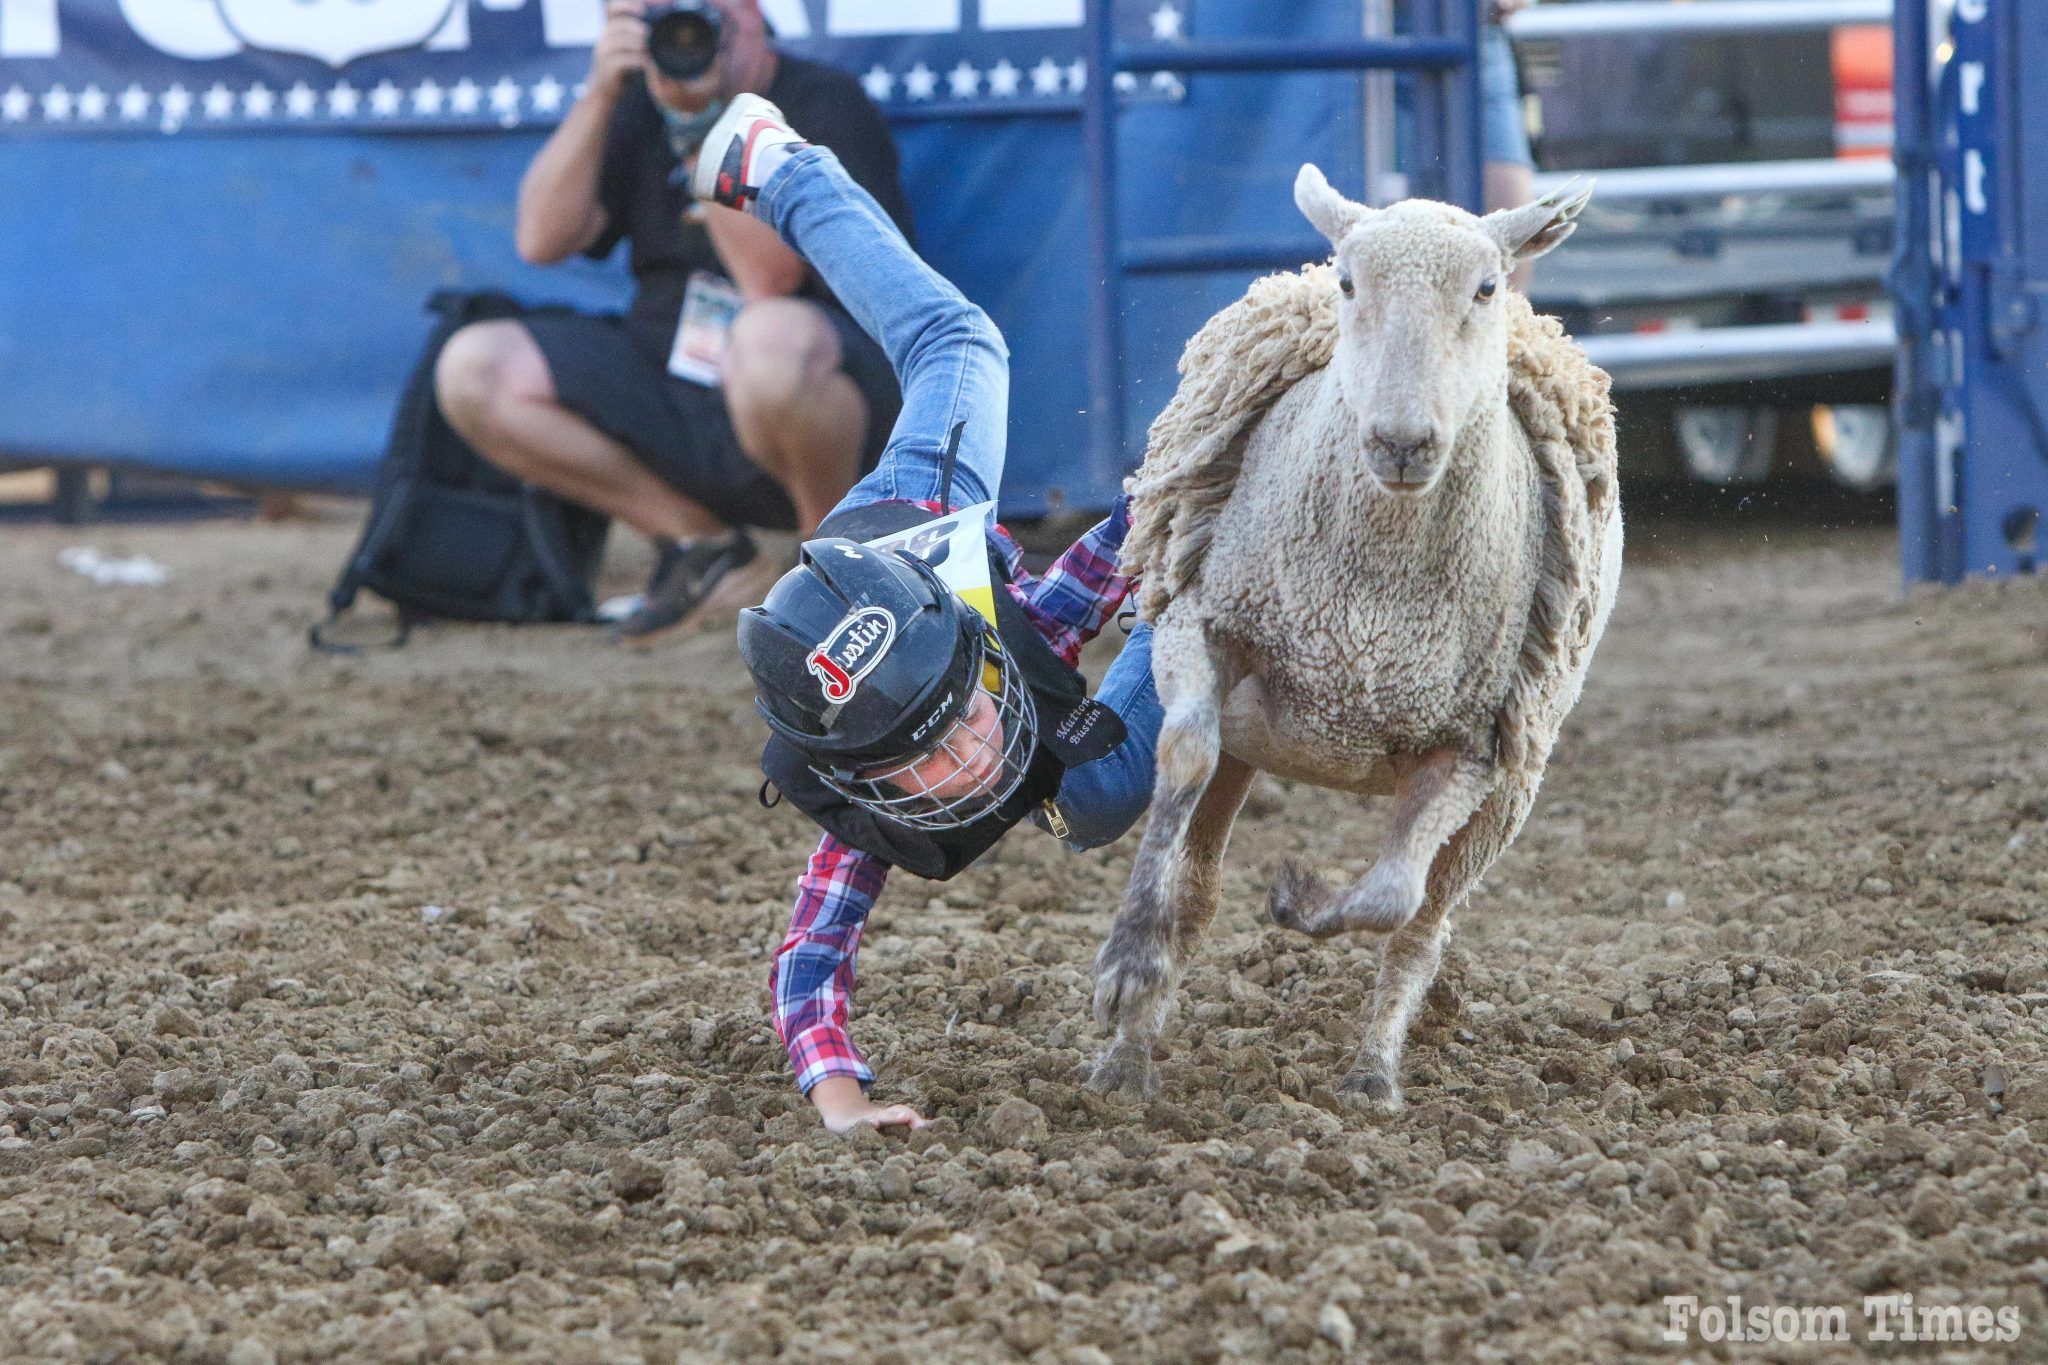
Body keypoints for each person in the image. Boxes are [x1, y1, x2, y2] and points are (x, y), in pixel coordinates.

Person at [691, 96, 1165, 1135]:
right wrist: (841, 1101)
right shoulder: (857, 799)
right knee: (1093, 796)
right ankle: (1197, 613)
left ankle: (779, 169)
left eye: (964, 724)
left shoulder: (984, 619)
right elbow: (809, 957)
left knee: (959, 340)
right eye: (925, 763)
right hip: (903, 633)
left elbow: (1085, 583)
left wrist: (1181, 487)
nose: (968, 759)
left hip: (913, 533)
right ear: (869, 779)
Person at [434, 0, 914, 643]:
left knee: (769, 338)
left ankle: (831, 567)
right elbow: (541, 240)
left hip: (818, 396)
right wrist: (601, 94)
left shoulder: (822, 101)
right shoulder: (643, 100)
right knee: (476, 366)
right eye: (655, 15)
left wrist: (703, 129)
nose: (679, 32)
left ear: (748, 11)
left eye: (695, 13)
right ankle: (703, 548)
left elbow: (768, 281)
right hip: (677, 377)